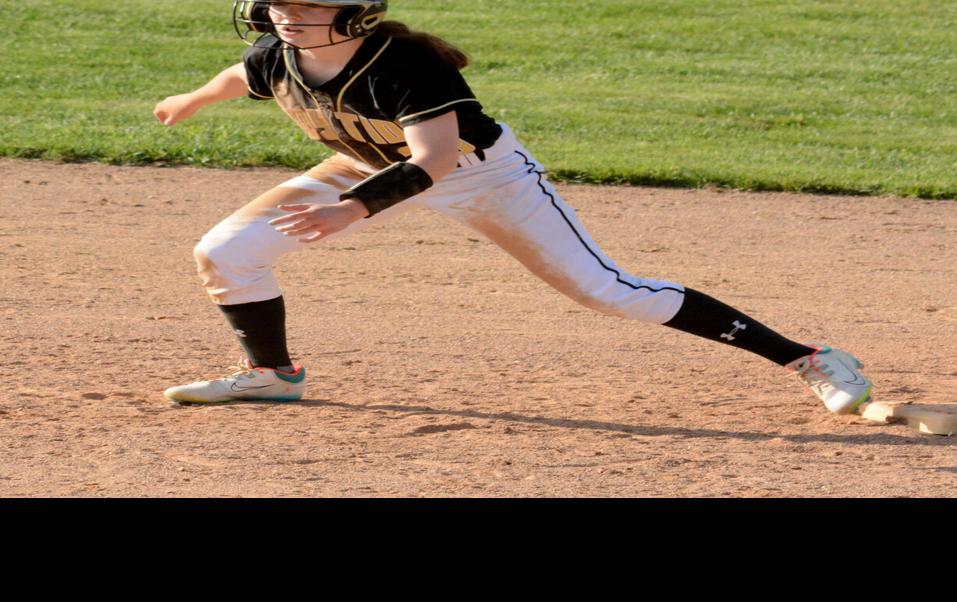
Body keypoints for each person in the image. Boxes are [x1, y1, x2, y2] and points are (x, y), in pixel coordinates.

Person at [152, 0, 874, 414]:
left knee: (609, 291)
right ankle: (274, 375)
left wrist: (351, 210)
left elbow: (434, 160)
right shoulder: (276, 54)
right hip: (369, 167)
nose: (286, 11)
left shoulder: (406, 66)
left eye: (307, 1)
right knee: (226, 251)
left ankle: (810, 357)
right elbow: (238, 75)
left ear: (356, 8)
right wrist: (190, 101)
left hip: (481, 177)